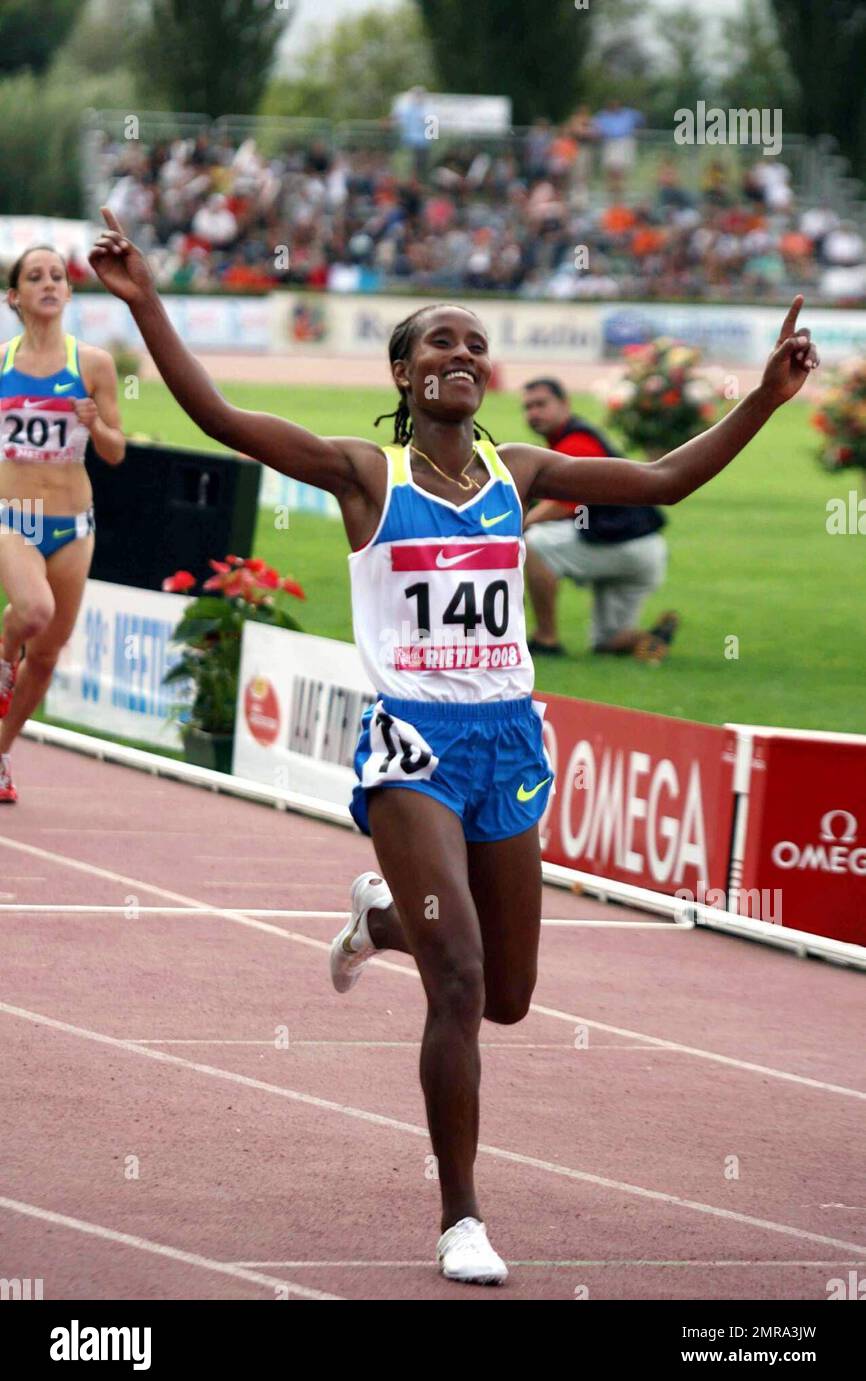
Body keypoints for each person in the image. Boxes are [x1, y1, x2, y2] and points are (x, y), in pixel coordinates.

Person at [89, 207, 818, 1285]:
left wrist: (761, 398)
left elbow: (662, 483)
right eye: (440, 341)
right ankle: (460, 1217)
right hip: (411, 749)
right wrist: (147, 301)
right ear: (402, 372)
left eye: (476, 344)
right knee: (464, 982)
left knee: (513, 993)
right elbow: (222, 416)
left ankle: (379, 919)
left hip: (507, 742)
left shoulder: (519, 475)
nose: (462, 356)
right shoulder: (359, 475)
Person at [0, 246, 125, 803]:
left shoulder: (93, 364)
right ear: (15, 297)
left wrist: (96, 425)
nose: (49, 283)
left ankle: (1, 755)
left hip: (75, 523)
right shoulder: (2, 364)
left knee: (48, 654)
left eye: (57, 276)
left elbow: (117, 451)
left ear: (68, 294)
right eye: (35, 277)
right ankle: (3, 657)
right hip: (15, 517)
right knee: (34, 612)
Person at [521, 378, 676, 661]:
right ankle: (651, 639)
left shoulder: (577, 441)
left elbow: (564, 503)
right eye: (528, 407)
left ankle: (546, 639)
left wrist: (518, 525)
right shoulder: (573, 438)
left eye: (541, 404)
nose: (533, 413)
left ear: (565, 404)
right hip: (640, 550)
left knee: (533, 543)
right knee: (606, 642)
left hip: (626, 547)